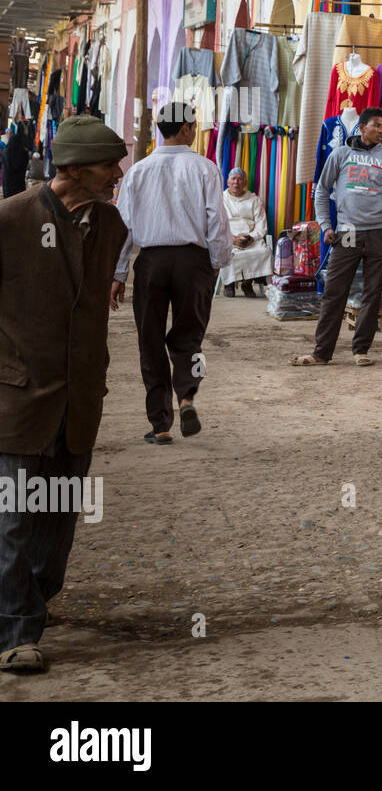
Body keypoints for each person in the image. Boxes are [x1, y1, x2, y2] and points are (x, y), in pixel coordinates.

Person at [0, 116, 128, 673]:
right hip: (18, 397)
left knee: (58, 519)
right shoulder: (11, 220)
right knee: (13, 518)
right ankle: (15, 630)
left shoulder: (110, 225)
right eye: (107, 166)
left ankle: (32, 601)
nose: (117, 175)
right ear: (73, 168)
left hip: (78, 398)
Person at [113, 102, 232, 446]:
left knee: (149, 339)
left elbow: (124, 228)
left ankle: (160, 424)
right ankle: (187, 398)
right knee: (190, 336)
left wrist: (118, 274)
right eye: (193, 126)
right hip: (192, 262)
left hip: (150, 262)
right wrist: (216, 262)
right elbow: (217, 221)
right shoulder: (205, 168)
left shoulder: (138, 171)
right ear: (184, 129)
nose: (195, 131)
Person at [292, 107, 382, 368]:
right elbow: (321, 190)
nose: (381, 130)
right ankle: (322, 352)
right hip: (348, 232)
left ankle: (361, 349)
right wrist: (325, 225)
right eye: (376, 125)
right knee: (334, 292)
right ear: (362, 127)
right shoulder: (341, 154)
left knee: (372, 293)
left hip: (378, 233)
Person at [218, 167, 273, 297]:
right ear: (227, 182)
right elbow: (216, 224)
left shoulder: (254, 200)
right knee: (229, 253)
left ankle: (247, 282)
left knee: (264, 252)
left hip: (250, 238)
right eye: (233, 179)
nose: (236, 182)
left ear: (244, 183)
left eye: (240, 179)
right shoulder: (220, 199)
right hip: (228, 238)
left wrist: (250, 238)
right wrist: (231, 238)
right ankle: (229, 283)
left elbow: (261, 225)